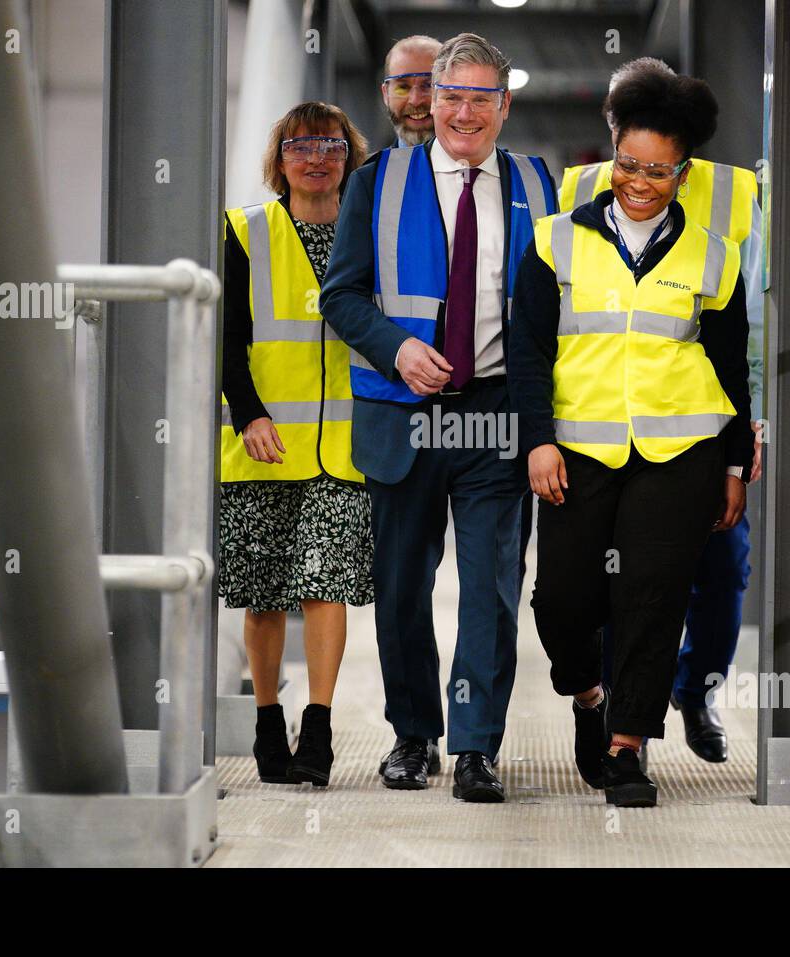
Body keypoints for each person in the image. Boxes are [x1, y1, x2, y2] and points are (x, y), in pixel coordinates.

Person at [509, 61, 752, 808]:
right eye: (627, 164)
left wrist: (737, 460)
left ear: (683, 172)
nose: (638, 180)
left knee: (654, 595)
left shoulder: (713, 255)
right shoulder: (555, 241)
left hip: (680, 450)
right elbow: (528, 351)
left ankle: (628, 747)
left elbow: (730, 364)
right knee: (563, 601)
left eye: (657, 170)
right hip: (578, 448)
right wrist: (538, 439)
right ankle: (588, 696)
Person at [321, 33, 556, 802]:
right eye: (450, 95)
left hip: (495, 413)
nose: (462, 112)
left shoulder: (535, 184)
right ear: (433, 99)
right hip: (403, 412)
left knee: (492, 585)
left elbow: (556, 308)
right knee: (401, 584)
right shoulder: (376, 182)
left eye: (480, 98)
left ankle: (477, 745)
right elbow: (342, 296)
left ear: (503, 106)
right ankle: (414, 734)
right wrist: (396, 349)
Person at [219, 102, 372, 788]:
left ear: (349, 156)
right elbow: (226, 340)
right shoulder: (245, 231)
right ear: (279, 159)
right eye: (301, 145)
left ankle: (317, 727)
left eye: (331, 146)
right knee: (263, 593)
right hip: (263, 443)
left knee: (324, 582)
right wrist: (247, 414)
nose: (316, 157)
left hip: (342, 446)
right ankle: (265, 716)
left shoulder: (369, 233)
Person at [379, 34, 441, 148]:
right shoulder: (375, 166)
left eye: (428, 85)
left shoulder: (479, 165)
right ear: (386, 94)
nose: (415, 100)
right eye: (403, 87)